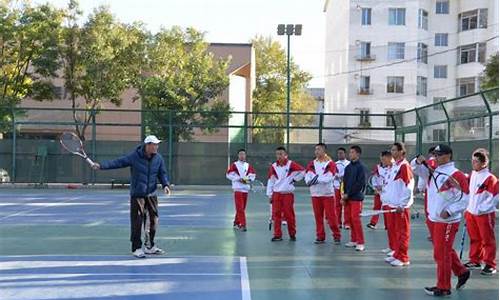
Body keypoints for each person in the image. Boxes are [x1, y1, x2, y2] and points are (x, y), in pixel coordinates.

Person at [92, 135, 171, 258]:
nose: (156, 147)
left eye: (157, 144)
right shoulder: (135, 156)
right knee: (137, 221)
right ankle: (136, 248)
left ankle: (150, 246)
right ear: (147, 145)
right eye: (154, 144)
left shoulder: (159, 158)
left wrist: (165, 185)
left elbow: (162, 173)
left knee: (153, 221)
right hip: (137, 195)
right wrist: (101, 166)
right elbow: (118, 162)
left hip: (151, 194)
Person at [419, 144, 470, 297]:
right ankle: (461, 271)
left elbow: (465, 199)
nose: (436, 157)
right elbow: (415, 169)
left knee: (441, 253)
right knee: (443, 250)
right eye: (435, 154)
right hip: (434, 218)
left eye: (439, 155)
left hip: (448, 221)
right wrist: (418, 161)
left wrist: (449, 211)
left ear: (448, 156)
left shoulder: (457, 174)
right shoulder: (434, 171)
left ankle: (443, 287)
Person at [464, 148, 499, 275]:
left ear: (484, 163)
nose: (473, 163)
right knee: (474, 238)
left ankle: (490, 264)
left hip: (484, 215)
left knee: (487, 239)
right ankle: (475, 260)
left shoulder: (490, 178)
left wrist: (480, 209)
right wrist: (468, 208)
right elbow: (470, 194)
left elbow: (494, 198)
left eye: (476, 161)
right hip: (471, 213)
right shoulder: (473, 175)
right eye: (473, 161)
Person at [384, 142, 414, 267]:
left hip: (401, 207)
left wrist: (402, 204)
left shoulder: (404, 166)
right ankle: (397, 253)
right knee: (396, 231)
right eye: (391, 150)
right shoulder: (394, 166)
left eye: (395, 150)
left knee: (402, 232)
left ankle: (404, 258)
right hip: (393, 205)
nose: (392, 152)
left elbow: (408, 186)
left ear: (402, 152)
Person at [305, 143, 341, 244]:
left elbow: (329, 178)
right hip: (315, 194)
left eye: (319, 149)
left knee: (331, 217)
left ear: (324, 151)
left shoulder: (330, 163)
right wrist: (309, 181)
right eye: (316, 149)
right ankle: (320, 236)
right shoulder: (312, 163)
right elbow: (307, 176)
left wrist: (315, 180)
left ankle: (336, 235)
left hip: (327, 195)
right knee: (318, 217)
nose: (317, 151)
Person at [266, 146, 305, 242]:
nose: (279, 156)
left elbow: (303, 171)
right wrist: (270, 195)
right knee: (276, 215)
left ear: (285, 155)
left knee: (289, 215)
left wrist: (294, 179)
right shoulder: (274, 166)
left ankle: (292, 234)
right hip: (276, 194)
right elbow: (271, 181)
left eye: (281, 154)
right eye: (277, 154)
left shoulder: (291, 164)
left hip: (288, 194)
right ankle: (277, 235)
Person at [342, 145, 366, 251]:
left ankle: (361, 242)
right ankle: (353, 240)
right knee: (350, 219)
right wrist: (344, 195)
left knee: (356, 219)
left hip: (356, 198)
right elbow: (345, 182)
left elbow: (360, 184)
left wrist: (349, 194)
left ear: (358, 154)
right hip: (348, 198)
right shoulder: (348, 167)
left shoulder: (361, 167)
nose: (350, 154)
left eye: (352, 152)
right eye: (350, 152)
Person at [226, 149, 256, 232]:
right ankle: (243, 225)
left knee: (242, 208)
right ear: (238, 156)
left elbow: (252, 176)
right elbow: (228, 175)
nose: (242, 156)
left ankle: (236, 223)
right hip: (237, 190)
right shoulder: (234, 165)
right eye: (240, 154)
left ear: (245, 156)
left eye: (243, 154)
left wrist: (246, 180)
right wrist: (238, 179)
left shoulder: (248, 165)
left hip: (245, 190)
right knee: (240, 208)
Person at [411, 146, 438, 241]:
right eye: (435, 154)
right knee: (430, 215)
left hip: (437, 194)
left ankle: (436, 234)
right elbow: (417, 170)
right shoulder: (427, 163)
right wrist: (418, 161)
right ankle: (434, 234)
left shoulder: (434, 163)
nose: (434, 156)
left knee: (433, 215)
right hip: (430, 193)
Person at [366, 151, 392, 230]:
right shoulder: (377, 167)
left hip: (387, 192)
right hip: (378, 191)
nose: (383, 160)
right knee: (376, 207)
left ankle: (388, 225)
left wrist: (384, 188)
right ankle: (373, 223)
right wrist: (375, 188)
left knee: (386, 208)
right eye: (381, 157)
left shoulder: (392, 167)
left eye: (385, 158)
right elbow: (374, 178)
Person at [334, 147, 350, 229]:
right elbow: (332, 174)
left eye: (341, 153)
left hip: (346, 188)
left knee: (346, 205)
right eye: (338, 153)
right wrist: (336, 177)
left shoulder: (349, 163)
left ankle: (347, 223)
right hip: (337, 187)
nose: (340, 154)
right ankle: (338, 222)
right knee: (337, 205)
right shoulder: (334, 164)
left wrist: (344, 178)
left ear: (345, 154)